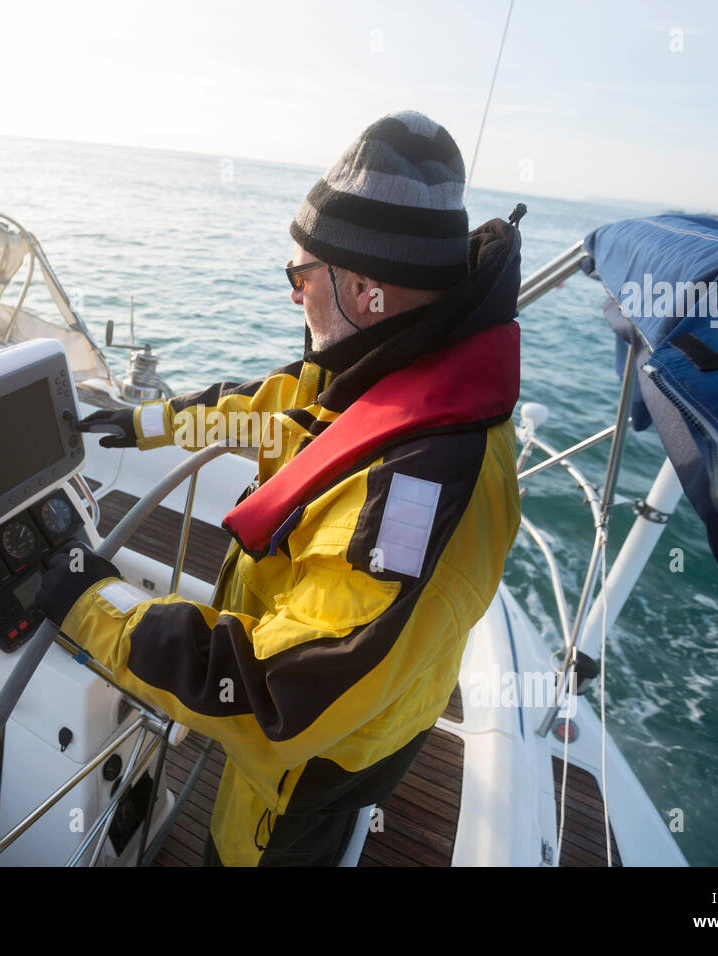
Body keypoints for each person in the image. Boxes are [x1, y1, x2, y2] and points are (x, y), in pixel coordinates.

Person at [35, 110, 523, 866]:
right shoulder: (406, 366)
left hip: (311, 762)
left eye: (301, 276)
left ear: (364, 290)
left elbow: (272, 698)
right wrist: (145, 424)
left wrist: (89, 606)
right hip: (373, 711)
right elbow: (283, 409)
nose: (292, 296)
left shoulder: (419, 491)